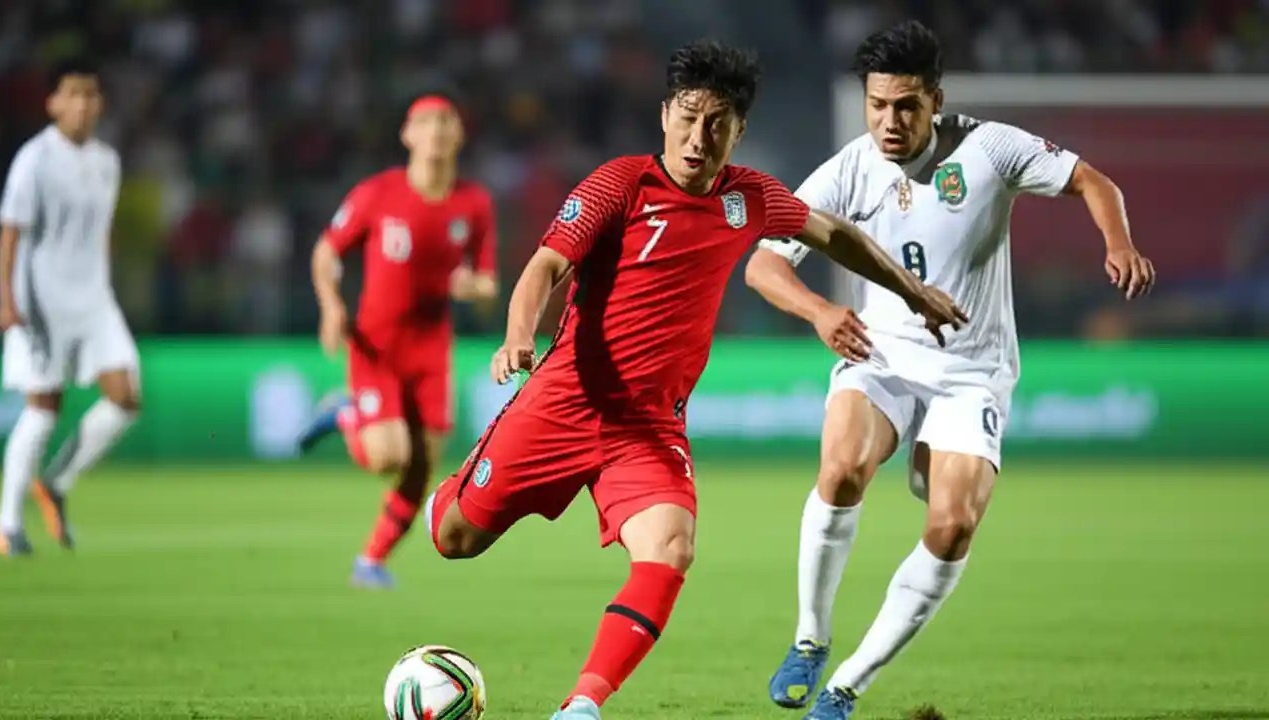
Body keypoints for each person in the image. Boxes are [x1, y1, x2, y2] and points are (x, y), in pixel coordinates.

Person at [423, 40, 966, 720]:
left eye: (717, 123)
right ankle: (448, 494)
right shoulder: (618, 185)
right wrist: (517, 334)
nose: (698, 137)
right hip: (563, 400)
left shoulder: (752, 197)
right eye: (687, 117)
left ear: (740, 130)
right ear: (663, 116)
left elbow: (836, 234)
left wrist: (912, 291)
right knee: (454, 539)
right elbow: (544, 267)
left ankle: (582, 706)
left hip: (647, 427)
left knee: (672, 546)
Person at [749, 21, 1155, 719]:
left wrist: (1117, 242)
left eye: (905, 106)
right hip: (881, 356)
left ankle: (846, 686)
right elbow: (762, 262)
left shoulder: (991, 148)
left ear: (936, 100)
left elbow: (1093, 181)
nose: (889, 121)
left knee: (952, 525)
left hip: (971, 371)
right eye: (877, 104)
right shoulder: (850, 168)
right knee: (841, 467)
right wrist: (819, 311)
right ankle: (811, 638)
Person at [304, 90, 498, 588]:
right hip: (377, 344)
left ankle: (370, 560)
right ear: (407, 135)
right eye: (426, 121)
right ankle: (345, 411)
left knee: (421, 465)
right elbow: (328, 251)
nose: (436, 130)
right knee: (389, 456)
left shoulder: (473, 204)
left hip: (431, 350)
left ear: (459, 135)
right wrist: (331, 303)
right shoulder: (378, 193)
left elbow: (489, 281)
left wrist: (470, 285)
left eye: (445, 121)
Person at [0, 58, 141, 556]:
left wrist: (108, 288)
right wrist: (8, 301)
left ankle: (54, 482)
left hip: (93, 298)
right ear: (53, 103)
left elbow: (101, 235)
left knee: (125, 398)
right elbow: (11, 232)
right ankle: (8, 523)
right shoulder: (34, 158)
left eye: (91, 95)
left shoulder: (107, 160)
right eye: (73, 94)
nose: (83, 105)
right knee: (43, 409)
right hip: (42, 301)